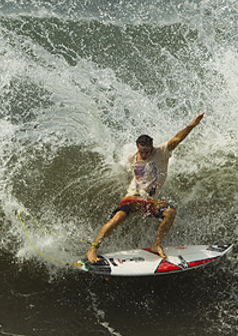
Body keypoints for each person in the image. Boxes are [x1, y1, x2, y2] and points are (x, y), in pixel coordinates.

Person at [85, 113, 205, 264]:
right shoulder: (132, 158)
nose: (144, 154)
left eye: (147, 151)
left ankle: (156, 245)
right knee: (118, 218)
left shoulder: (162, 152)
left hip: (148, 201)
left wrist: (192, 125)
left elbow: (177, 139)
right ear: (137, 148)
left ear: (152, 147)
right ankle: (93, 249)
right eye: (141, 151)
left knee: (170, 212)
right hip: (132, 197)